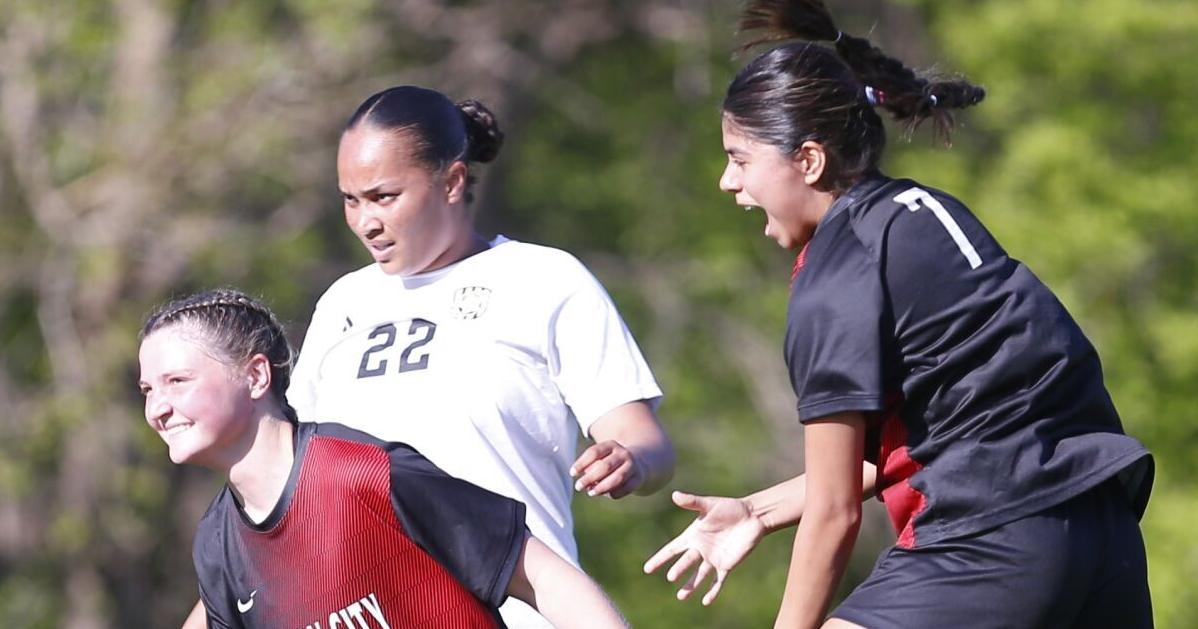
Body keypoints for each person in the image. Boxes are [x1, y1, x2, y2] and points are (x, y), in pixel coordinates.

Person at [644, 2, 1153, 628]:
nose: (728, 182)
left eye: (740, 159)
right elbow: (934, 439)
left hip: (990, 541)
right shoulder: (926, 212)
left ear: (808, 160)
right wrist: (757, 512)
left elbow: (835, 512)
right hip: (1101, 531)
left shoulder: (836, 272)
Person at [175, 85, 674, 629]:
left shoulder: (542, 280)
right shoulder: (344, 304)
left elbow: (645, 441)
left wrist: (629, 459)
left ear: (453, 181)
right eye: (350, 199)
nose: (365, 221)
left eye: (384, 196)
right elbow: (286, 484)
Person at [140, 288, 629, 629]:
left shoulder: (364, 473)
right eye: (147, 390)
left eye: (177, 382)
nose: (158, 408)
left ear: (255, 377)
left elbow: (544, 576)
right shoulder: (217, 542)